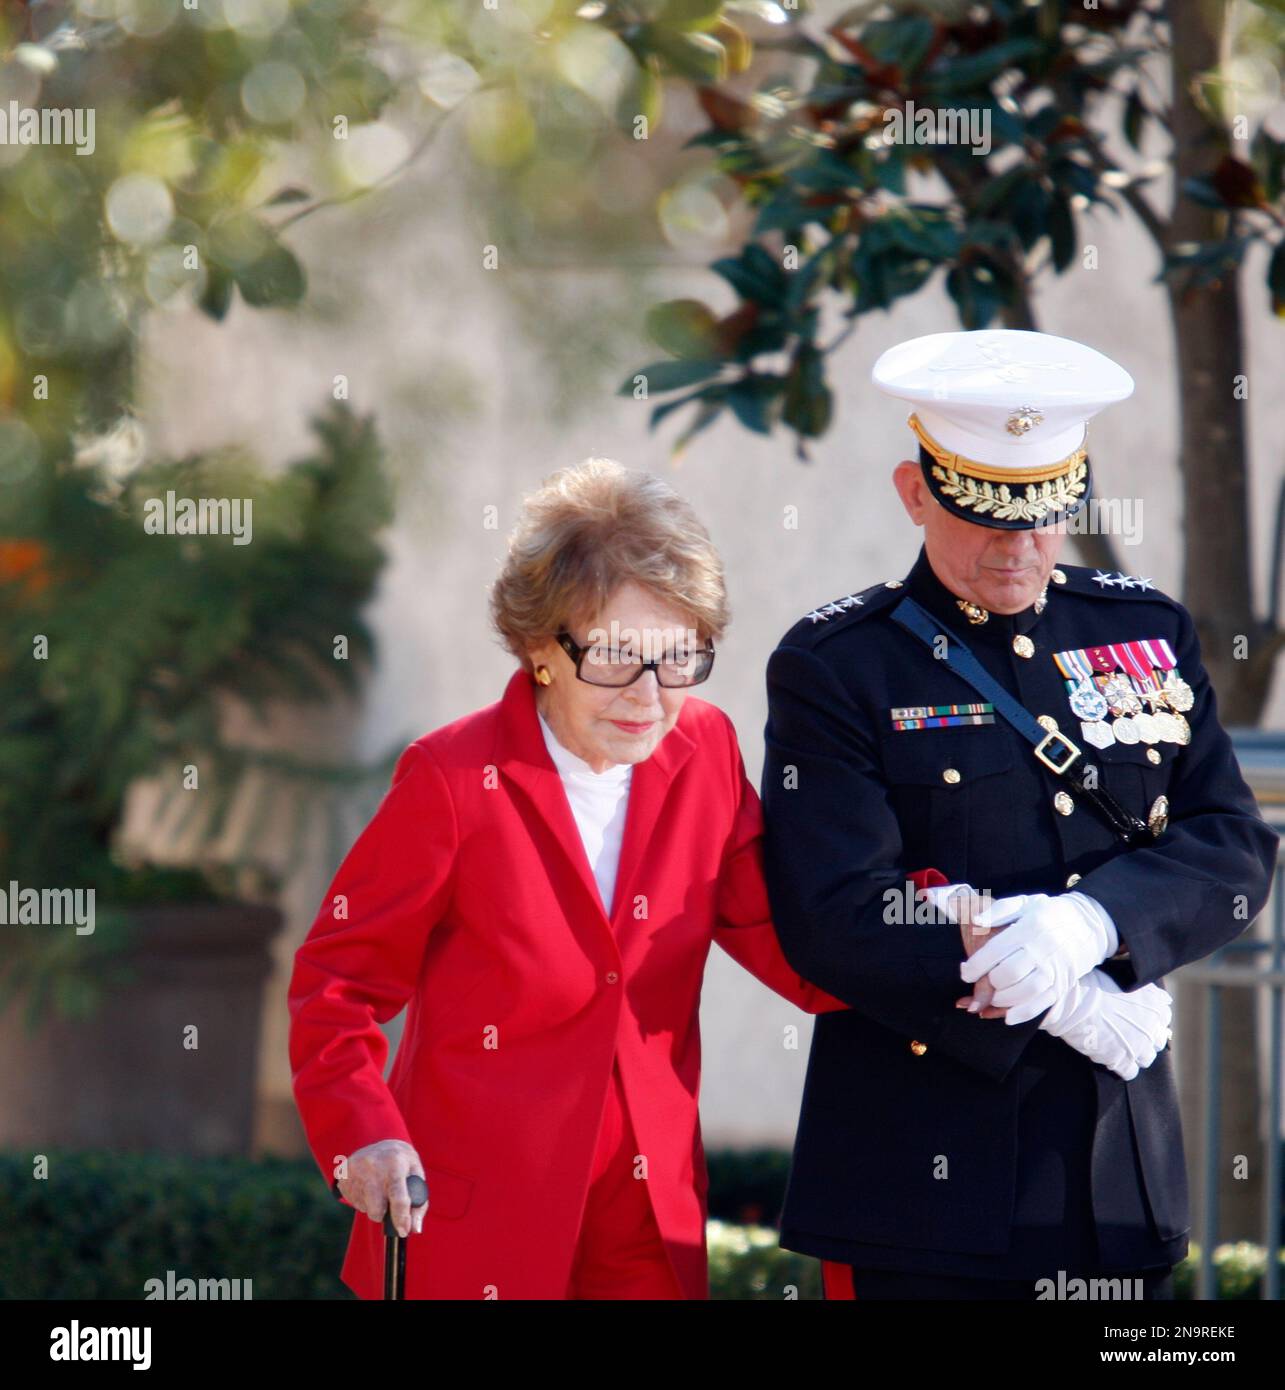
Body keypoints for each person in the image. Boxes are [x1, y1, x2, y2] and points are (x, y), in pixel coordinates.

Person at [760, 328, 1280, 1300]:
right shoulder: (837, 666)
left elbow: (1230, 844)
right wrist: (1042, 984)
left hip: (1114, 1181)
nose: (1020, 545)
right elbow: (831, 911)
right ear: (914, 492)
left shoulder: (1143, 632)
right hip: (923, 1190)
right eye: (987, 515)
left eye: (1044, 514)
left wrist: (1097, 924)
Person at [287, 456, 851, 1300]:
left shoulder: (705, 751)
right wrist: (362, 1137)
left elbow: (791, 941)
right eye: (617, 656)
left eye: (678, 658)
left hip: (645, 1223)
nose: (650, 696)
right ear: (540, 646)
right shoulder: (449, 778)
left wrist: (938, 926)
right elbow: (337, 983)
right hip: (476, 1223)